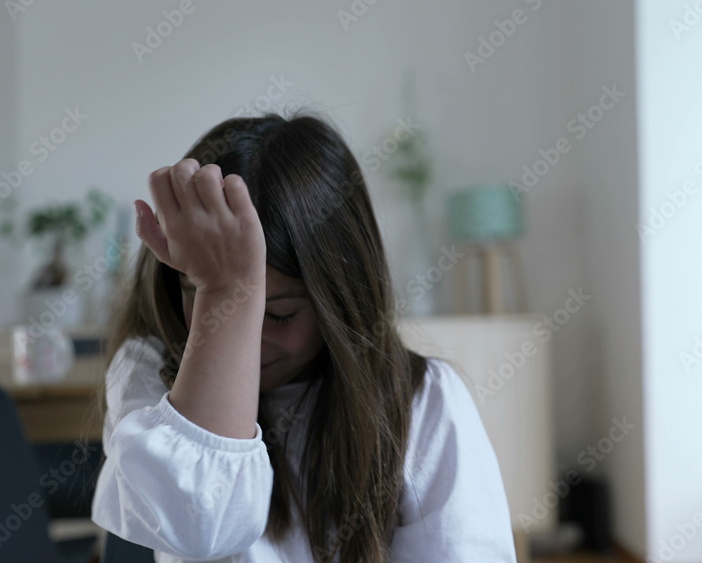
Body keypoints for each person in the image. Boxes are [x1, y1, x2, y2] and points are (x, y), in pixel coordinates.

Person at [90, 109, 516, 562]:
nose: (246, 346)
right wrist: (227, 289)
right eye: (206, 301)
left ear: (340, 302)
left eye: (276, 314)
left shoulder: (423, 399)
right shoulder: (146, 374)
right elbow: (200, 527)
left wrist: (226, 289)